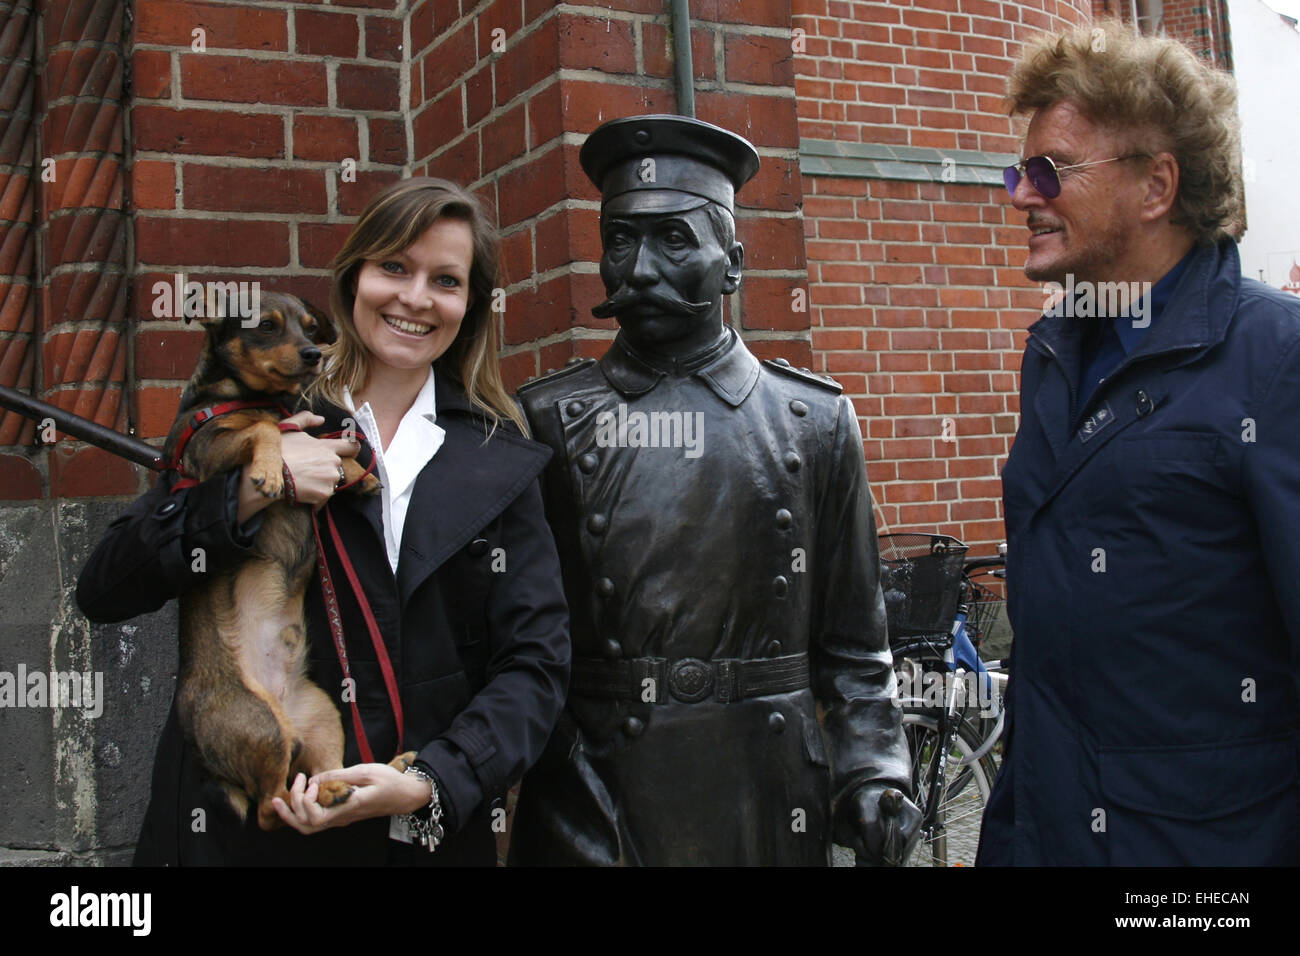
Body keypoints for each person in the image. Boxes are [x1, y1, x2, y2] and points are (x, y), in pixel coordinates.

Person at [75, 177, 571, 866]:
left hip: (413, 834)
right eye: (393, 267)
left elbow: (535, 666)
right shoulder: (257, 417)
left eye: (446, 280)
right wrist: (249, 490)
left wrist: (430, 780)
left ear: (472, 304)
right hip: (238, 831)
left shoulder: (502, 458)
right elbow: (105, 588)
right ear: (354, 276)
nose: (415, 298)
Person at [507, 115, 919, 866]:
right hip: (596, 790)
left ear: (731, 263)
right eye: (621, 240)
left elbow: (857, 646)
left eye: (672, 240)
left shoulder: (814, 422)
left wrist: (873, 770)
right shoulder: (548, 419)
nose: (638, 269)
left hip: (763, 792)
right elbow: (522, 642)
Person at [976, 22, 1300, 866]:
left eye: (1050, 170)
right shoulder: (1052, 356)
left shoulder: (1276, 360)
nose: (1020, 195)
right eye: (1019, 171)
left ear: (1156, 184)